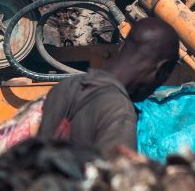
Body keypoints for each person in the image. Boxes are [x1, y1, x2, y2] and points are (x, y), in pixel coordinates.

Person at [36, 18, 180, 160]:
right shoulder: (119, 111)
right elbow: (117, 181)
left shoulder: (66, 86)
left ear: (121, 47)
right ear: (161, 70)